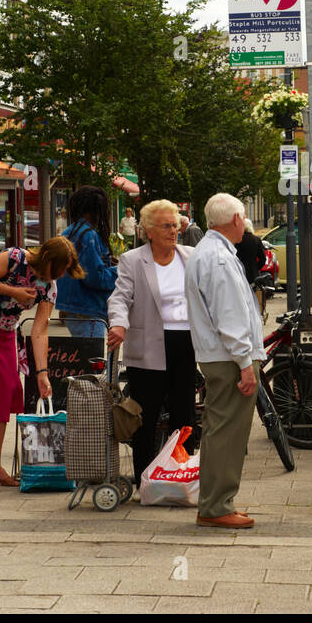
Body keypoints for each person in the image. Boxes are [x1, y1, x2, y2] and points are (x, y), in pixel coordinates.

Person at [0, 237, 82, 488]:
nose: (61, 275)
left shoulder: (49, 287)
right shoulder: (15, 258)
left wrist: (42, 373)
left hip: (5, 334)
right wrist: (12, 291)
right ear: (47, 259)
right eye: (60, 268)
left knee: (4, 391)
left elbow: (40, 330)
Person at [185, 193, 267, 529]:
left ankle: (217, 502)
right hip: (228, 358)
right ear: (234, 219)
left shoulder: (211, 252)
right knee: (227, 432)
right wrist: (245, 364)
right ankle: (216, 506)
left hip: (221, 355)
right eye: (243, 217)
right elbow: (231, 317)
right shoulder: (218, 258)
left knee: (222, 430)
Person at [106, 199, 197, 496]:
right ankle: (145, 479)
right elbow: (120, 297)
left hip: (185, 343)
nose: (174, 231)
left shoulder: (191, 257)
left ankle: (182, 477)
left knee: (185, 414)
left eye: (175, 225)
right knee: (144, 416)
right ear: (148, 230)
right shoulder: (133, 260)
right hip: (148, 346)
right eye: (166, 226)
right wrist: (118, 323)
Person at [56, 185, 120, 338]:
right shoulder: (87, 235)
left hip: (77, 307)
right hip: (87, 310)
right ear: (96, 210)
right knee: (92, 359)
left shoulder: (71, 231)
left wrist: (107, 262)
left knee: (86, 358)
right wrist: (121, 269)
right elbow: (95, 277)